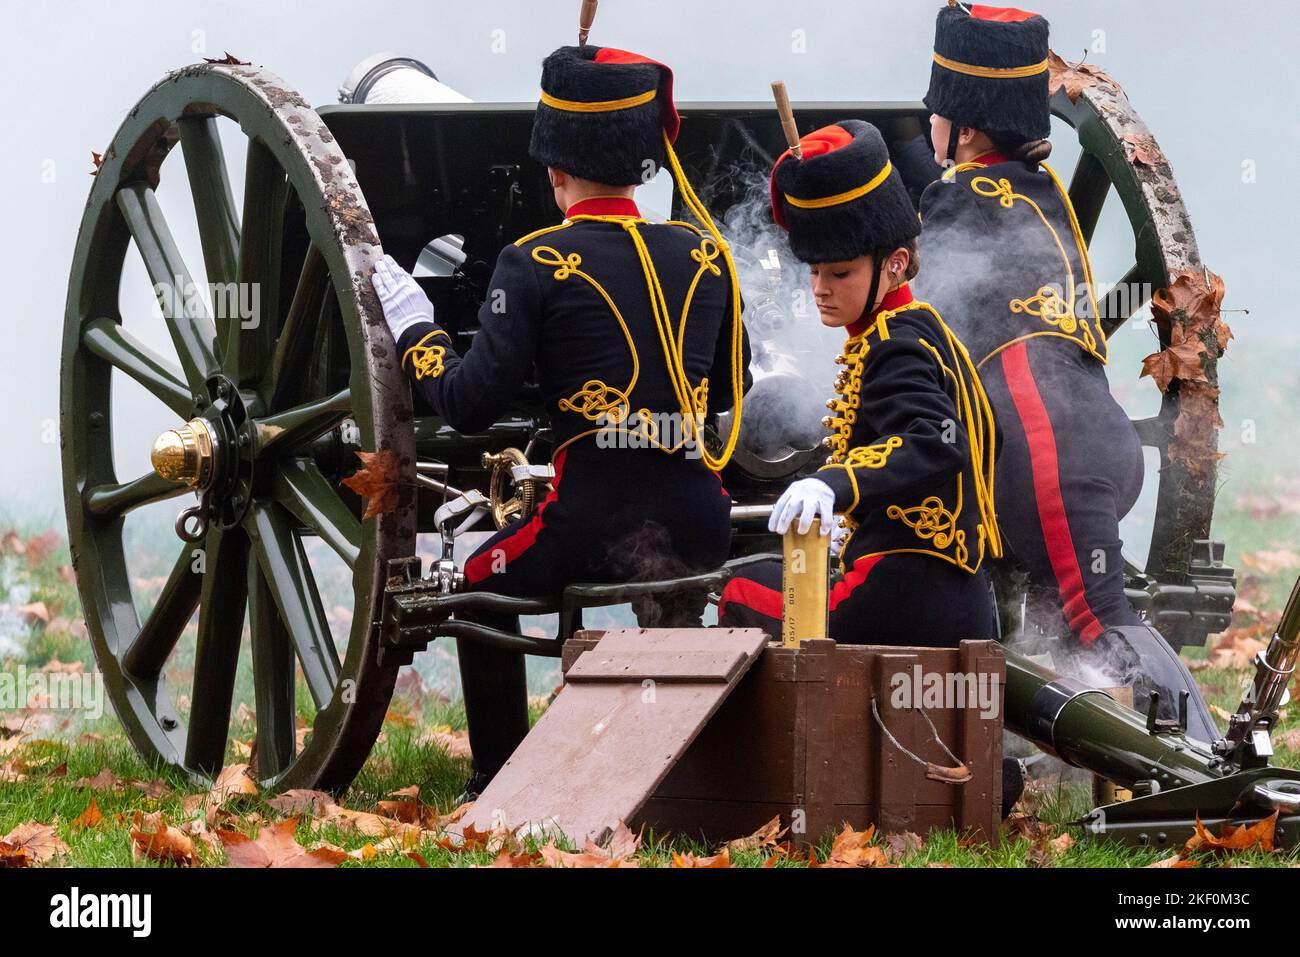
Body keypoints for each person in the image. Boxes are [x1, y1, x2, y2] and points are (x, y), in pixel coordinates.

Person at [371, 43, 751, 797]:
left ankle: (499, 777)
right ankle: (676, 776)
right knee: (672, 581)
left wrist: (418, 329)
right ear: (643, 163)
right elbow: (732, 385)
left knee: (473, 577)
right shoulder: (706, 253)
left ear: (554, 169)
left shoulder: (532, 260)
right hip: (701, 518)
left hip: (584, 531)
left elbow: (468, 403)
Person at [913, 2, 1219, 744]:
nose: (928, 125)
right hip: (1090, 435)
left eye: (937, 112)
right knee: (1064, 624)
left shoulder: (952, 196)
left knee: (1099, 615)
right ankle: (1086, 756)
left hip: (1044, 452)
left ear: (968, 127)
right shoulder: (1044, 192)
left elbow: (918, 320)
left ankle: (1211, 766)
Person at [719, 119, 1001, 649]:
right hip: (961, 599)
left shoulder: (892, 344)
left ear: (895, 264)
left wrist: (833, 482)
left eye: (840, 274)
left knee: (736, 591)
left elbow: (934, 441)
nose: (821, 290)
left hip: (901, 594)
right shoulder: (924, 326)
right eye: (815, 272)